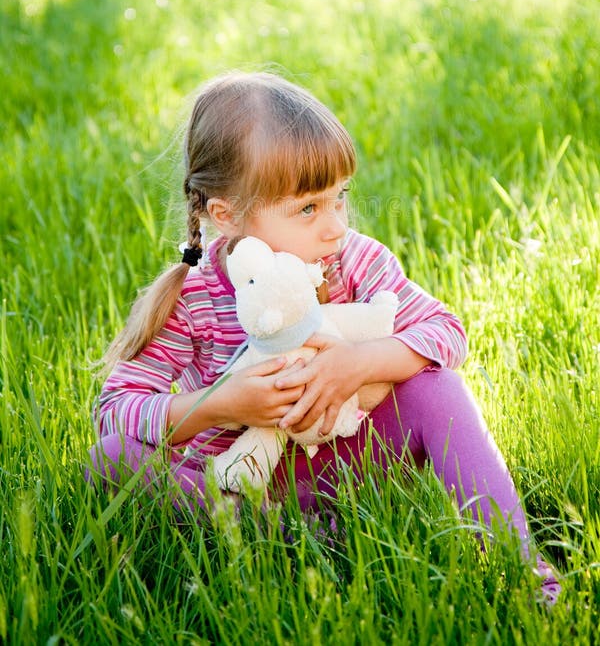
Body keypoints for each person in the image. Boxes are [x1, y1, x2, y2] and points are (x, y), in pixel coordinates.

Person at [90, 70, 560, 606]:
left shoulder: (353, 258)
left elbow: (445, 332)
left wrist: (358, 363)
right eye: (308, 208)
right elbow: (116, 410)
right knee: (111, 457)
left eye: (339, 198)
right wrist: (221, 405)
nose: (334, 224)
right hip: (239, 482)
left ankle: (523, 571)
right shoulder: (195, 295)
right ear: (227, 216)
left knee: (438, 387)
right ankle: (277, 535)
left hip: (342, 469)